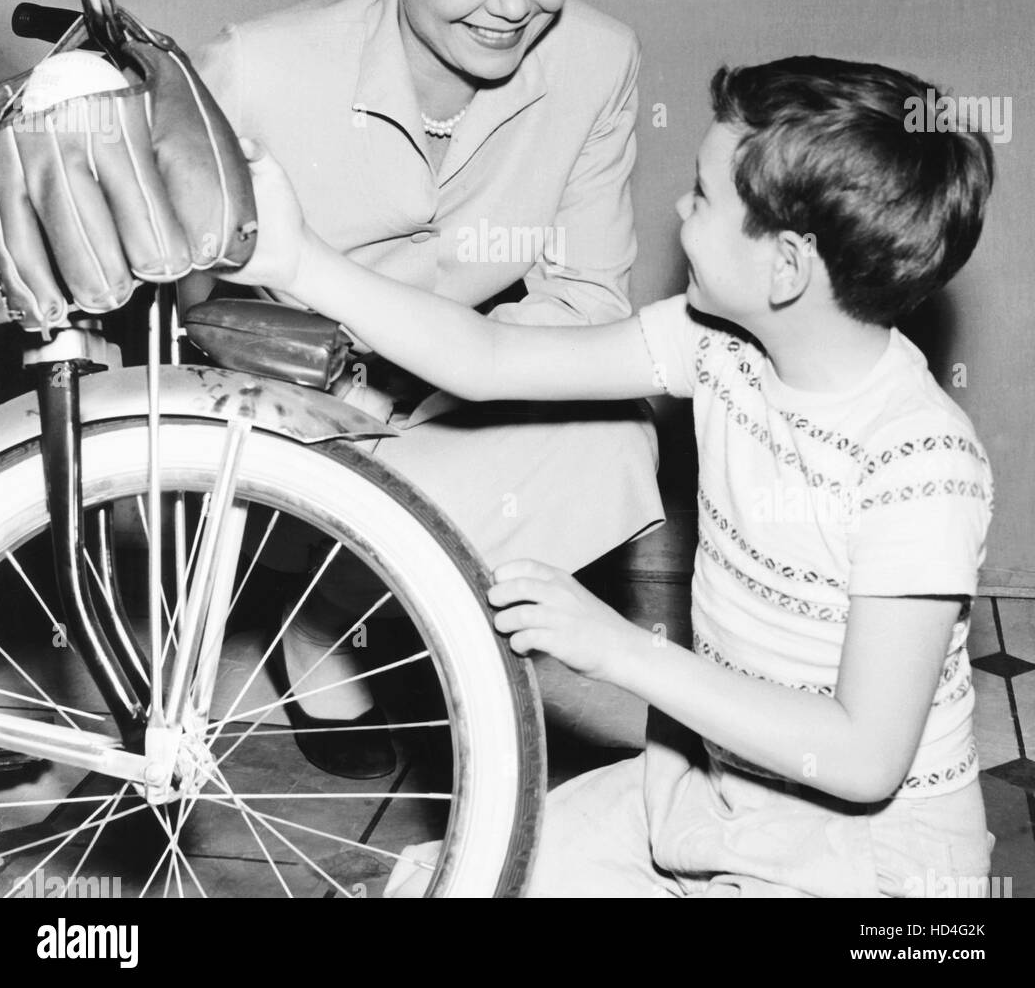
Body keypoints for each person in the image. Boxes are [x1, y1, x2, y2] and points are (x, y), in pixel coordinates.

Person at [226, 54, 996, 898]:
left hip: (874, 860)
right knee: (457, 881)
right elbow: (490, 358)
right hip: (707, 787)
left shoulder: (921, 461)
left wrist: (618, 649)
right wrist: (299, 262)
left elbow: (860, 759)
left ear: (787, 268)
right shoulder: (721, 348)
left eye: (702, 196)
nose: (678, 207)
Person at [187, 0, 663, 777]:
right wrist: (300, 385)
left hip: (461, 384)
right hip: (277, 393)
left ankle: (354, 601)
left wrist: (448, 385)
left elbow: (585, 300)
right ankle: (329, 599)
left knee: (609, 420)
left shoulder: (600, 61)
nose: (515, 2)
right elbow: (172, 304)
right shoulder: (253, 70)